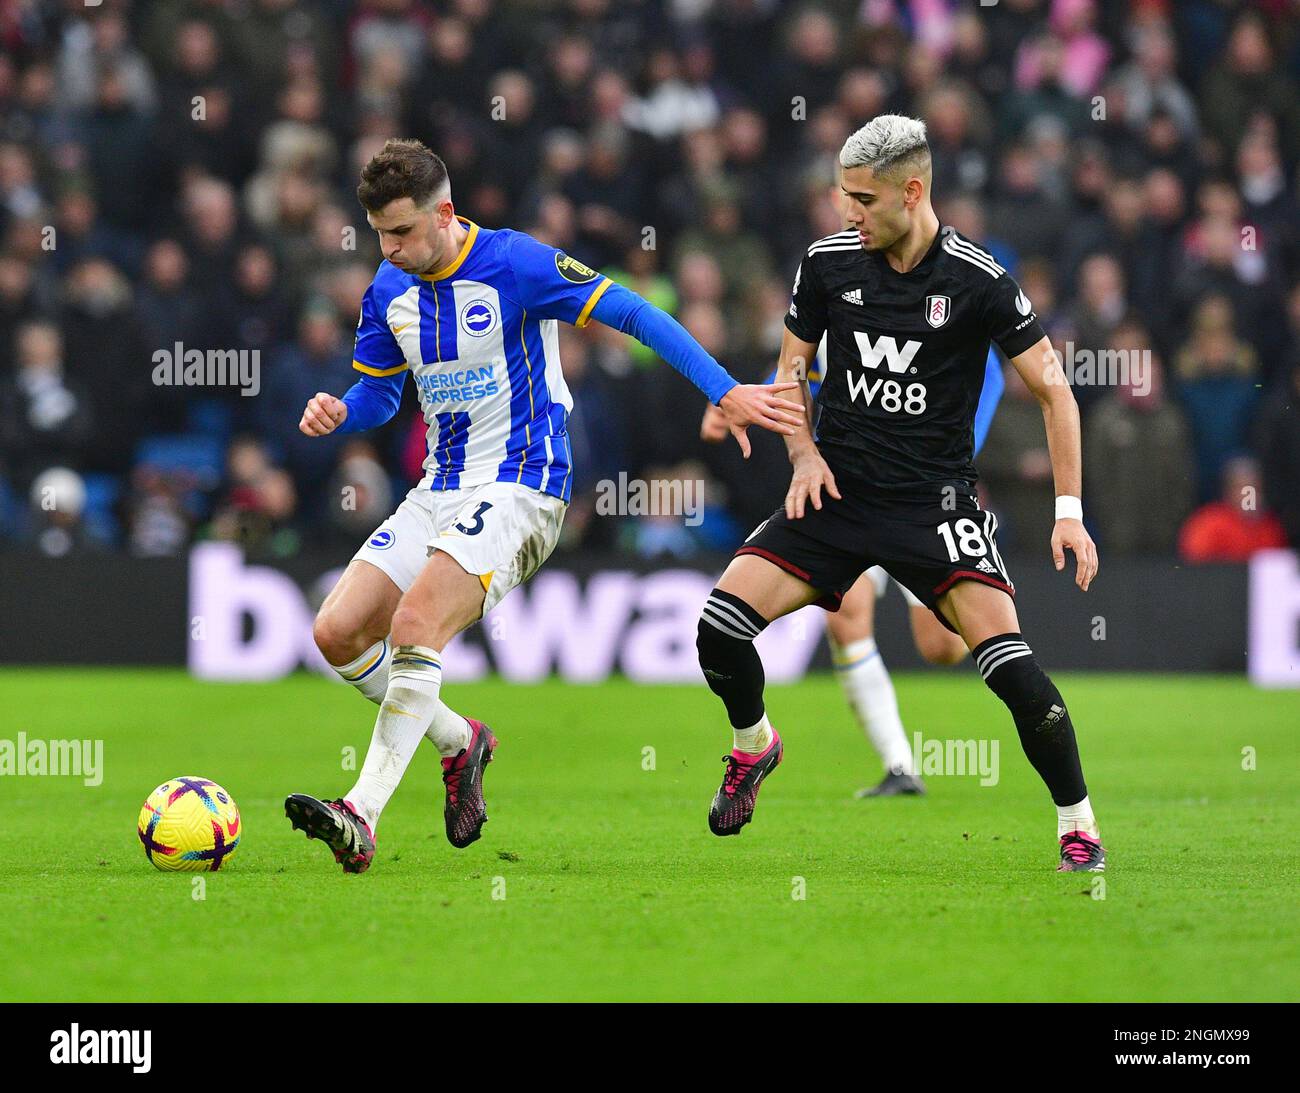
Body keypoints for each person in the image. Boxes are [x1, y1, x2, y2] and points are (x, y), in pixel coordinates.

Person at [286, 138, 803, 873]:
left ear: (445, 213)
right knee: (336, 632)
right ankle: (461, 742)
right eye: (378, 233)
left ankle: (361, 812)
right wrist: (342, 409)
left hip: (524, 487)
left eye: (401, 231)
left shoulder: (517, 264)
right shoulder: (387, 287)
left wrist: (723, 389)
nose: (389, 248)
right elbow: (379, 392)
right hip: (438, 489)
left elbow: (632, 313)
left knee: (413, 625)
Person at [694, 116, 1105, 872]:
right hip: (838, 497)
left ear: (912, 192)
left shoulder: (979, 281)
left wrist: (1068, 515)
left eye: (862, 199)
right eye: (842, 196)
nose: (847, 214)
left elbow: (1057, 394)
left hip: (934, 506)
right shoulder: (826, 264)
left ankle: (1077, 823)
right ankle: (754, 744)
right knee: (718, 629)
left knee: (1012, 670)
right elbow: (791, 370)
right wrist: (803, 453)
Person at [699, 339, 1005, 797]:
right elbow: (802, 373)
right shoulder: (832, 288)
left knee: (941, 647)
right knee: (845, 620)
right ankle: (900, 767)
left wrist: (956, 456)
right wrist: (740, 400)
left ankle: (986, 594)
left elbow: (991, 376)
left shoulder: (938, 291)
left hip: (925, 497)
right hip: (848, 489)